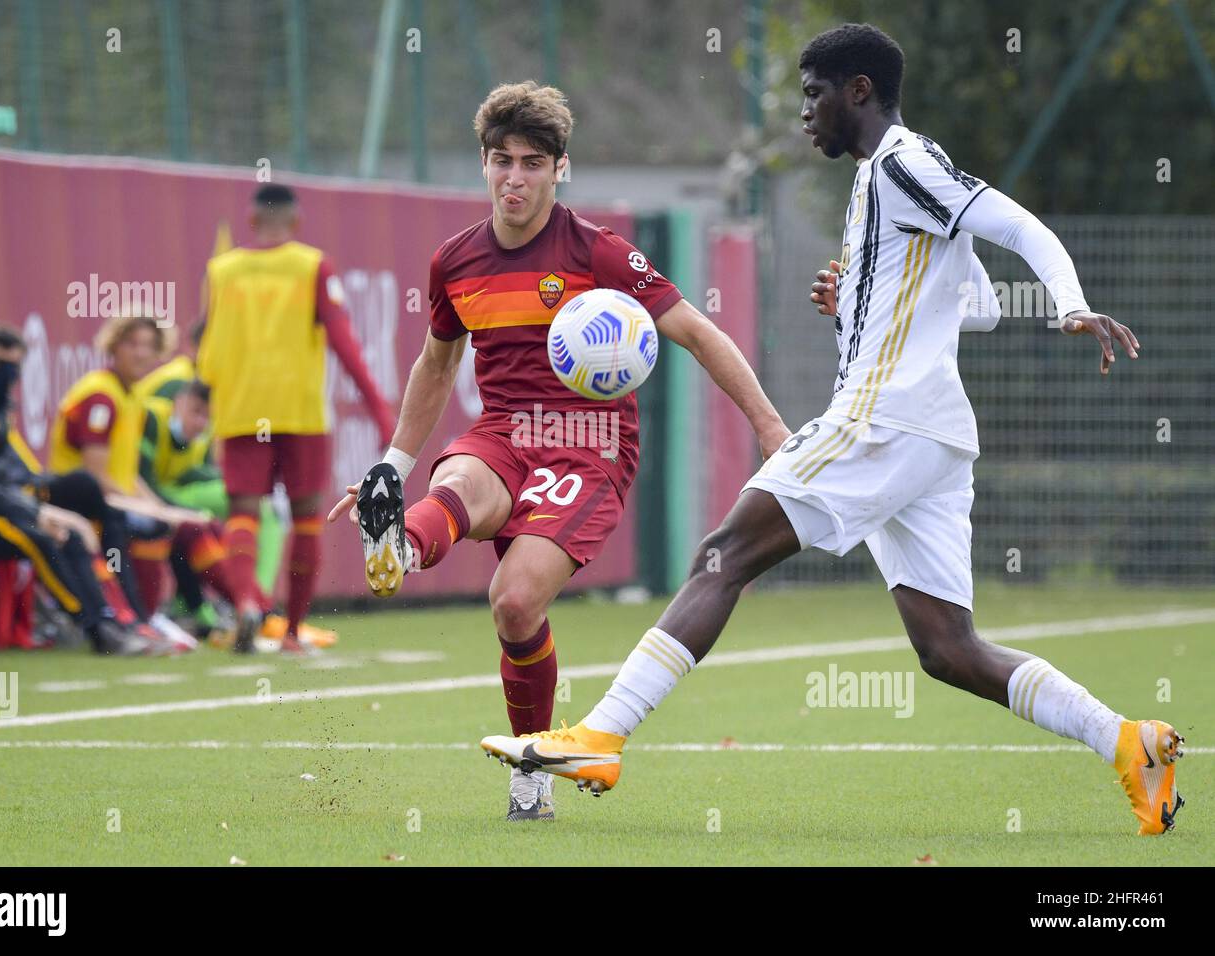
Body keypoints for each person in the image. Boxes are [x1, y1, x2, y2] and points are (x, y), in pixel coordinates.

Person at [479, 25, 1181, 838]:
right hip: (933, 432)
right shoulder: (883, 184)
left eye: (813, 94)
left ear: (858, 91)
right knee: (948, 647)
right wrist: (855, 302)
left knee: (722, 554)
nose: (805, 113)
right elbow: (977, 307)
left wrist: (1067, 304)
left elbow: (1023, 228)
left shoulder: (905, 163)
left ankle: (600, 736)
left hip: (883, 418)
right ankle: (1130, 742)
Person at [331, 82, 788, 821]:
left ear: (559, 169)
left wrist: (770, 428)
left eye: (532, 163)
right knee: (457, 482)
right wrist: (391, 463)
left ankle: (533, 767)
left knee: (514, 603)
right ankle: (400, 542)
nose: (515, 178)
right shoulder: (455, 261)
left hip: (589, 444)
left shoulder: (599, 253)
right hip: (505, 428)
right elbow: (436, 366)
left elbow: (698, 333)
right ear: (483, 165)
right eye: (501, 161)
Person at [198, 183, 395, 653]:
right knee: (307, 516)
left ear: (250, 221)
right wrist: (381, 410)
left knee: (242, 514)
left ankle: (247, 601)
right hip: (300, 411)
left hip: (242, 409)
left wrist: (209, 402)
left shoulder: (222, 270)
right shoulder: (311, 265)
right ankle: (290, 632)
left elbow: (208, 350)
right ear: (296, 221)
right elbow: (344, 345)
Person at [0, 326, 147, 654]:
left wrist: (41, 505)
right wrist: (35, 511)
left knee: (69, 528)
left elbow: (2, 475)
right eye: (2, 365)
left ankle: (116, 617)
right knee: (36, 535)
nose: (9, 375)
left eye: (15, 367)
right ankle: (96, 627)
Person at [49, 312, 205, 651]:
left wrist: (160, 507)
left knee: (185, 524)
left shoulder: (131, 395)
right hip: (75, 501)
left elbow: (125, 473)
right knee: (136, 523)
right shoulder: (100, 396)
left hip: (108, 498)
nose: (141, 353)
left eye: (149, 346)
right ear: (114, 345)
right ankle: (132, 618)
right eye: (132, 344)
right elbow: (96, 477)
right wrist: (154, 511)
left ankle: (219, 615)